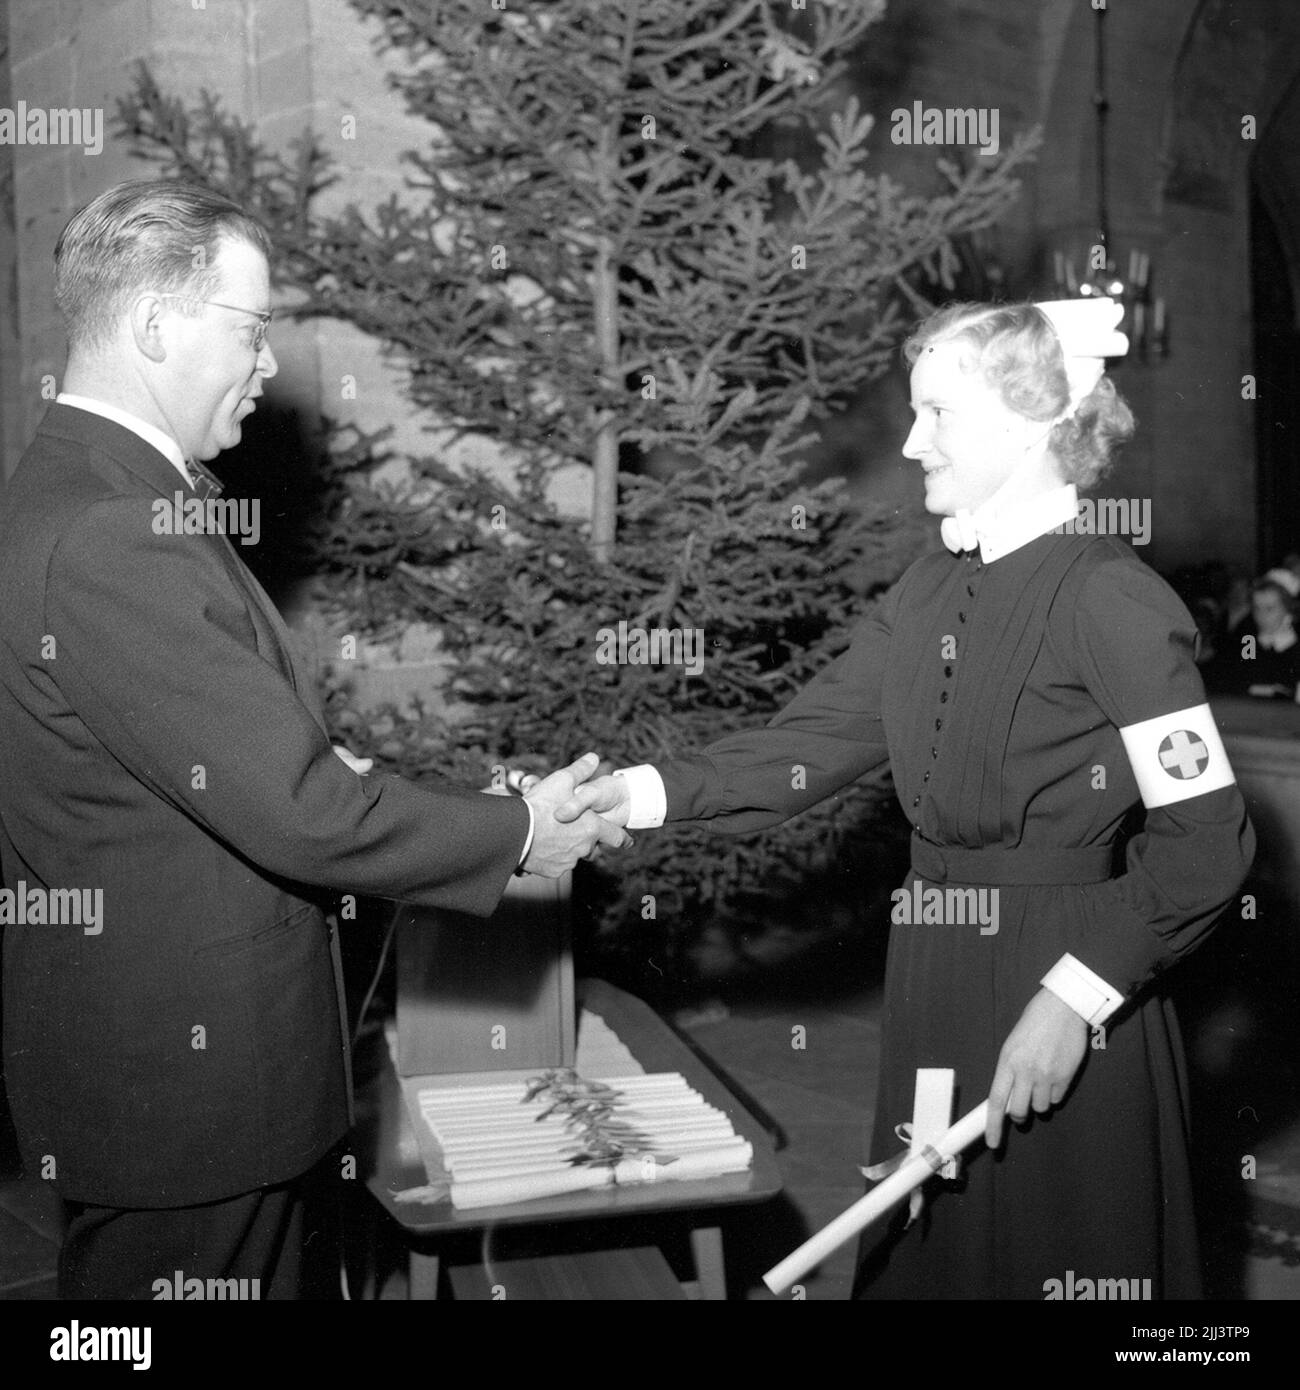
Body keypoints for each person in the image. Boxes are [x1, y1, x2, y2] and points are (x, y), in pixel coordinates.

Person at [0, 179, 627, 1300]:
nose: (264, 363)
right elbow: (295, 804)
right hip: (191, 1096)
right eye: (250, 329)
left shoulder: (91, 491)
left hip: (165, 1074)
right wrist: (522, 831)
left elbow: (236, 760)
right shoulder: (112, 531)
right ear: (153, 325)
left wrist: (449, 800)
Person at [563, 298, 1255, 1299]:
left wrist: (1076, 997)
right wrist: (628, 795)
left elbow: (1206, 843)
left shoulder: (1114, 598)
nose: (911, 439)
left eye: (937, 413)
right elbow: (803, 748)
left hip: (1068, 975)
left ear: (1025, 423)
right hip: (934, 960)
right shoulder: (930, 588)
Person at [1205, 574, 1300, 699]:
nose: (1261, 616)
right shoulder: (1249, 642)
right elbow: (1229, 676)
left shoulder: (1296, 647)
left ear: (1288, 609)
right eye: (1256, 608)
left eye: (1269, 609)